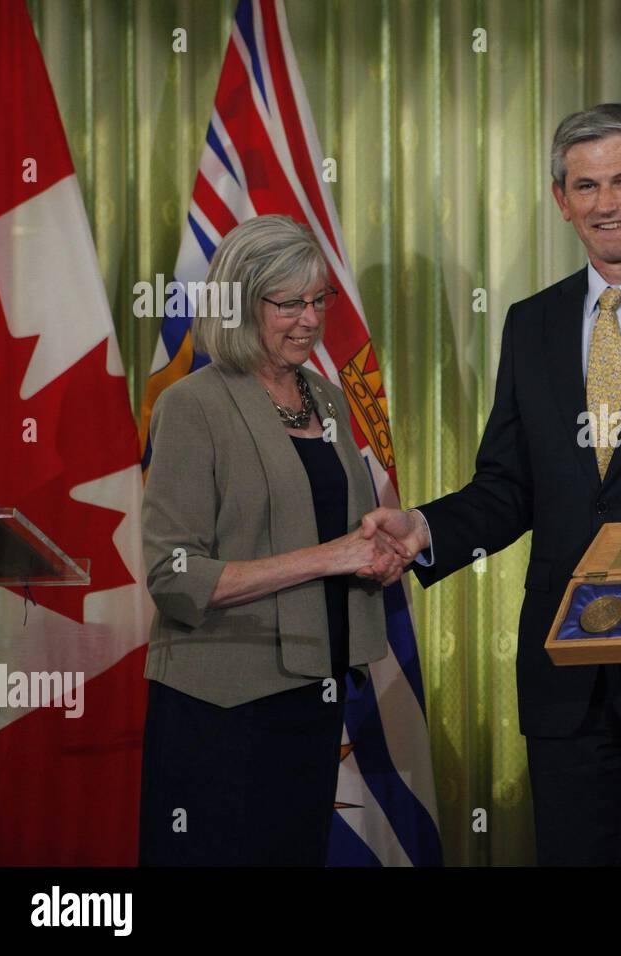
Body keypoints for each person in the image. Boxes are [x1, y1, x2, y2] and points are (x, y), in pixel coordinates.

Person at [362, 103, 621, 865]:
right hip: (567, 681)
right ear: (561, 201)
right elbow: (509, 484)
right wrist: (423, 528)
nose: (605, 203)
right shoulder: (532, 323)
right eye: (584, 186)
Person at [138, 215, 405, 865]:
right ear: (238, 303)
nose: (310, 320)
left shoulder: (329, 401)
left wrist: (379, 550)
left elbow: (329, 527)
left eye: (319, 300)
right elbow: (176, 575)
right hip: (223, 706)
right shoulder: (192, 404)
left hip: (316, 687)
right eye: (288, 303)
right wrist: (332, 555)